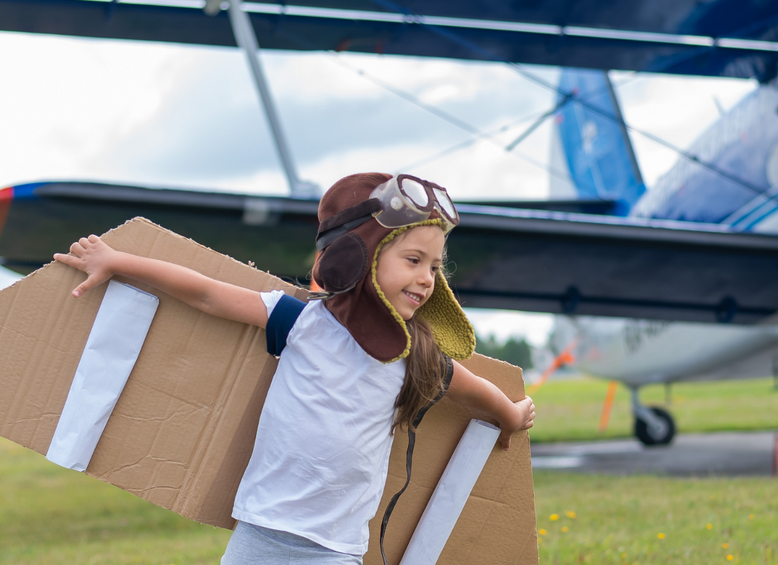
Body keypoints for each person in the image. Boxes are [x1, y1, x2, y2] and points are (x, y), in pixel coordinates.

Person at [54, 172, 535, 565]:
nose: (428, 279)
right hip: (260, 533)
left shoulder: (416, 357)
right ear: (359, 258)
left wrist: (510, 416)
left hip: (335, 549)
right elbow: (205, 293)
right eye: (414, 260)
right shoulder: (302, 321)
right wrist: (118, 261)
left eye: (435, 267)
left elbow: (474, 391)